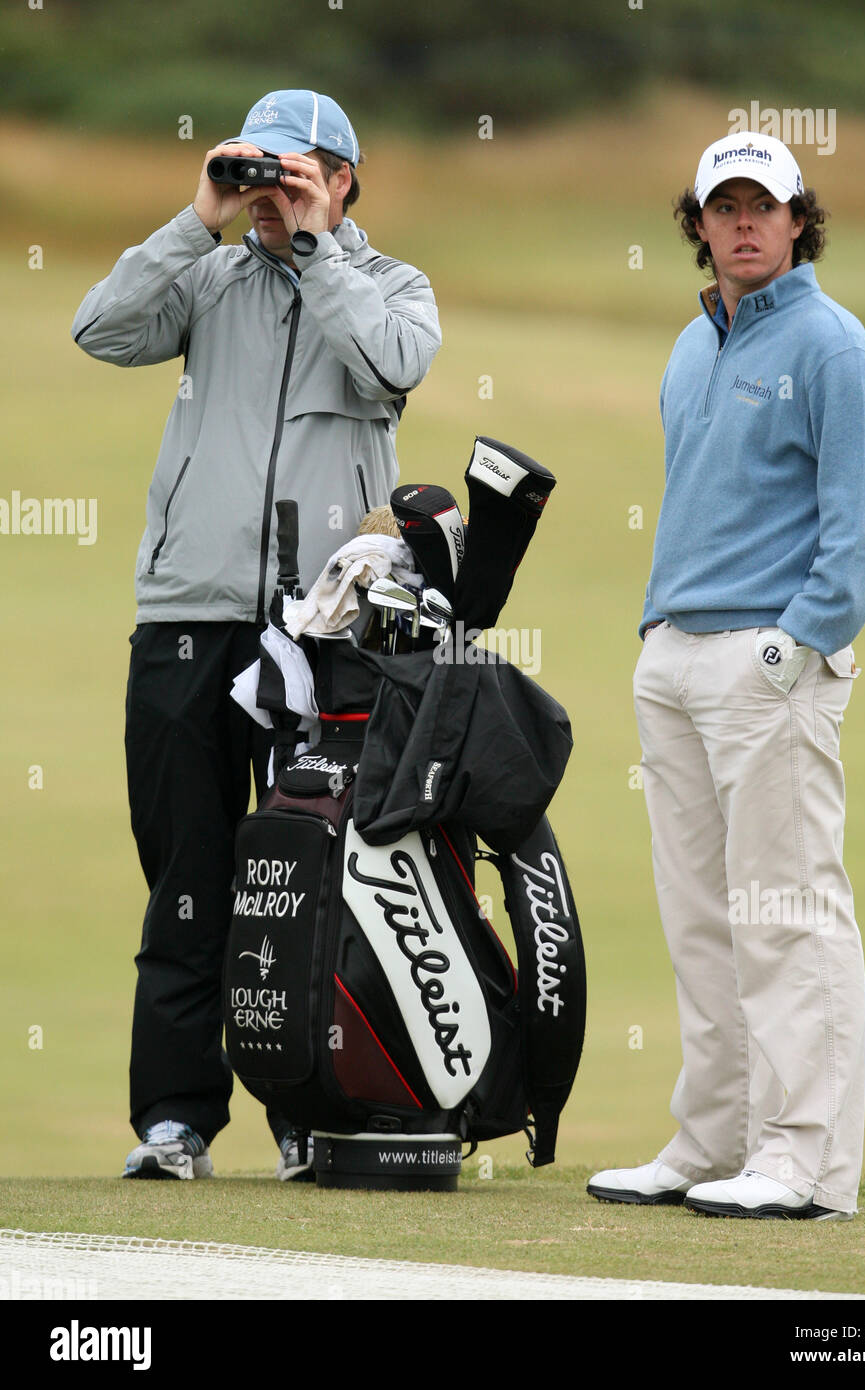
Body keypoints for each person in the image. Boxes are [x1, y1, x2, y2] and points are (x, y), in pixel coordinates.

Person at [71, 89, 441, 1180]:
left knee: (315, 876)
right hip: (188, 612)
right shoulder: (209, 273)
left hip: (324, 627)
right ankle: (176, 1120)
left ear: (342, 182)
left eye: (293, 175)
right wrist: (198, 214)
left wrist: (318, 248)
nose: (268, 195)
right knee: (187, 871)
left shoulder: (392, 286)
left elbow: (391, 367)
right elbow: (101, 327)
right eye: (257, 172)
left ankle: (304, 1108)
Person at [588, 132, 865, 1220]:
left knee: (787, 913)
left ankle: (802, 1160)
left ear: (801, 220)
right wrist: (654, 635)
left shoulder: (832, 345)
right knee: (702, 920)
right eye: (723, 206)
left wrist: (797, 643)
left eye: (764, 206)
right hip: (675, 654)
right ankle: (712, 1139)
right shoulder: (693, 343)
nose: (744, 223)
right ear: (699, 224)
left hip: (770, 660)